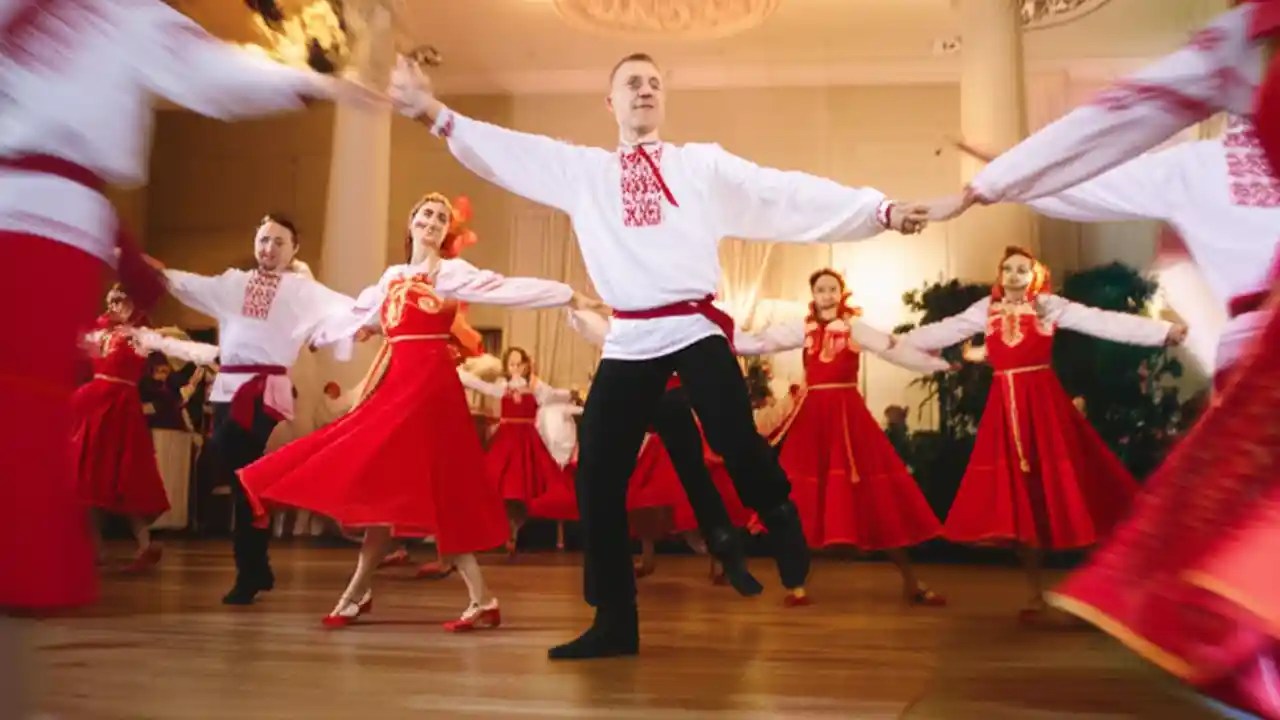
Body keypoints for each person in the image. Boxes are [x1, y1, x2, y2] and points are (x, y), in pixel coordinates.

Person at [387, 51, 931, 660]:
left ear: (662, 99)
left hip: (694, 325)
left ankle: (778, 513)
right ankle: (615, 620)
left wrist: (877, 210)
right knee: (596, 471)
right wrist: (432, 111)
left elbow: (781, 191)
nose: (644, 91)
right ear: (610, 102)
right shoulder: (584, 171)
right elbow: (514, 151)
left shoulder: (700, 164)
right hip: (630, 337)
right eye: (631, 84)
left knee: (730, 433)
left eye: (653, 83)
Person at [239, 192, 601, 631]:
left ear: (446, 232)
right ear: (411, 223)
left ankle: (404, 596)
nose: (432, 220)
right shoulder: (392, 277)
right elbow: (355, 314)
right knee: (384, 486)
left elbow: (505, 287)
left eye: (441, 217)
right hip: (395, 391)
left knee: (439, 489)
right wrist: (318, 331)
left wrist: (566, 295)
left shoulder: (449, 274)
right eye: (426, 214)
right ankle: (382, 593)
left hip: (431, 392)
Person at [897, 247, 1185, 622]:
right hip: (1004, 410)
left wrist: (1163, 331)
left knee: (1069, 490)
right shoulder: (987, 309)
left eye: (1022, 269)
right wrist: (887, 343)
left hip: (1043, 405)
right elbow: (944, 330)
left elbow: (1102, 322)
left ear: (1034, 276)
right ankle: (1035, 594)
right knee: (1021, 501)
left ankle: (1102, 586)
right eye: (1008, 269)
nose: (1014, 275)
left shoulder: (1047, 306)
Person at [951, 114, 1279, 388]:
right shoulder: (1197, 167)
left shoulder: (1194, 167)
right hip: (1252, 367)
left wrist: (1011, 170)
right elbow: (1088, 183)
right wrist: (1010, 169)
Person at [159, 214, 357, 605]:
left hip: (265, 388)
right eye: (264, 240)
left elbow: (345, 308)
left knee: (232, 455)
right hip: (229, 383)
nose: (269, 248)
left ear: (294, 249)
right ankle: (255, 565)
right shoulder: (235, 282)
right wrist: (158, 273)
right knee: (239, 475)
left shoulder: (301, 290)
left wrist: (368, 321)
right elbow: (192, 285)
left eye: (279, 242)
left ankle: (253, 565)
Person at [741, 268, 948, 609]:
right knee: (803, 500)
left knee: (876, 497)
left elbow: (891, 348)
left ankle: (911, 581)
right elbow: (764, 340)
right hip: (813, 420)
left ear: (841, 292)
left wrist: (930, 363)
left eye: (832, 289)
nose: (826, 294)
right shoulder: (803, 328)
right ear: (813, 294)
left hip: (848, 418)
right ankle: (797, 585)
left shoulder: (854, 327)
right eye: (820, 289)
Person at [73, 284, 218, 571]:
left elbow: (176, 349)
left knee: (124, 475)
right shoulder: (100, 330)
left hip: (119, 407)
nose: (115, 305)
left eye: (122, 300)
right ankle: (96, 548)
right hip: (92, 405)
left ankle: (144, 543)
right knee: (85, 477)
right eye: (112, 300)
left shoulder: (142, 333)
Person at [457, 347, 573, 556]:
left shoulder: (535, 386)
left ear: (526, 365)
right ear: (507, 367)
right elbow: (481, 385)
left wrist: (572, 394)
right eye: (512, 364)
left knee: (523, 489)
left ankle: (514, 531)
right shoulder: (503, 386)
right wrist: (459, 373)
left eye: (519, 363)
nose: (516, 368)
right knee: (499, 485)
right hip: (506, 440)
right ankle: (504, 533)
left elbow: (554, 395)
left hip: (527, 441)